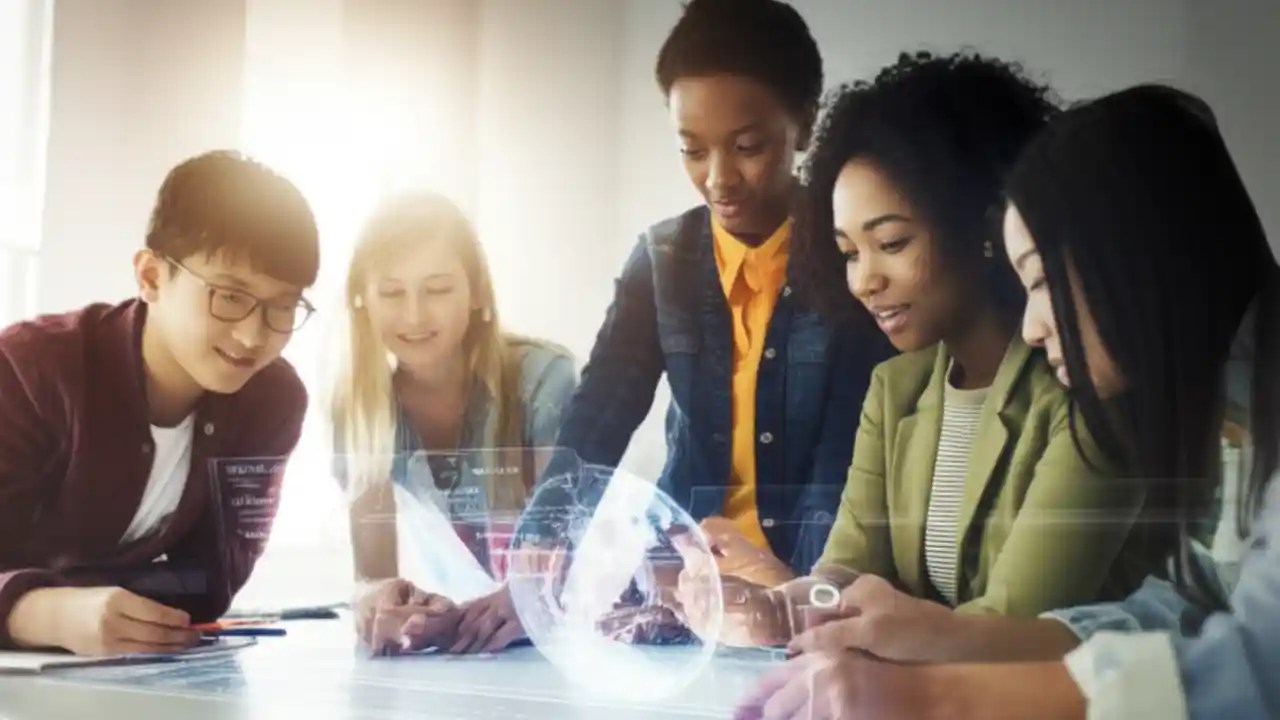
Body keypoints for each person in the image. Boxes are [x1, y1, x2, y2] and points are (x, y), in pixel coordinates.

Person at [740, 85, 1280, 719]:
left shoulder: (1107, 405)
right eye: (848, 253)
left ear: (1137, 253)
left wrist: (936, 693)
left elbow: (1255, 667)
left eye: (1044, 282)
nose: (1034, 326)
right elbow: (1182, 607)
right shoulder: (1221, 408)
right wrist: (936, 636)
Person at [680, 51, 1160, 649]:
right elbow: (847, 572)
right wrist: (779, 607)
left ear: (982, 230)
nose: (864, 281)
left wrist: (822, 617)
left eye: (891, 243)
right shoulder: (896, 389)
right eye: (849, 253)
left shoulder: (1086, 392)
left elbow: (1012, 625)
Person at [556, 0, 892, 591]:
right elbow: (596, 420)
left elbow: (842, 468)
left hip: (805, 585)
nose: (718, 179)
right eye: (693, 150)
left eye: (747, 146)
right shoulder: (662, 260)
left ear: (805, 122)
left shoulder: (851, 262)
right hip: (683, 581)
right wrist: (537, 560)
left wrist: (795, 595)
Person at [0, 150, 318, 657]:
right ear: (151, 276)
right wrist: (41, 612)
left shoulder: (272, 401)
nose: (253, 335)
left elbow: (211, 584)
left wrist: (93, 600)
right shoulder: (29, 369)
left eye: (281, 306)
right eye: (229, 296)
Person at [331, 192, 576, 655]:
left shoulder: (544, 380)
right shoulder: (360, 407)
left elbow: (575, 549)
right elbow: (371, 576)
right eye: (392, 293)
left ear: (477, 292)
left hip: (576, 630)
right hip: (484, 643)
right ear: (362, 300)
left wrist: (529, 598)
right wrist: (384, 603)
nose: (414, 315)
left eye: (438, 290)